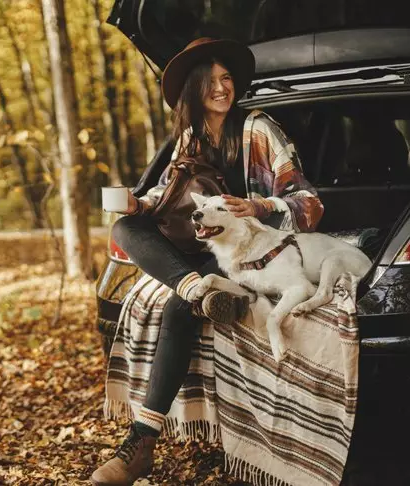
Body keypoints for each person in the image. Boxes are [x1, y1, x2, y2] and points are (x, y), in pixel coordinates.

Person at [90, 37, 324, 486]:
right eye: (212, 81)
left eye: (227, 79)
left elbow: (308, 202)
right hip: (197, 254)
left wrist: (258, 207)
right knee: (123, 230)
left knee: (180, 310)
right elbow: (168, 196)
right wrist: (139, 205)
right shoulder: (188, 137)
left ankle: (141, 443)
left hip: (245, 254)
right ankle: (196, 287)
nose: (222, 88)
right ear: (194, 89)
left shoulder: (258, 128)